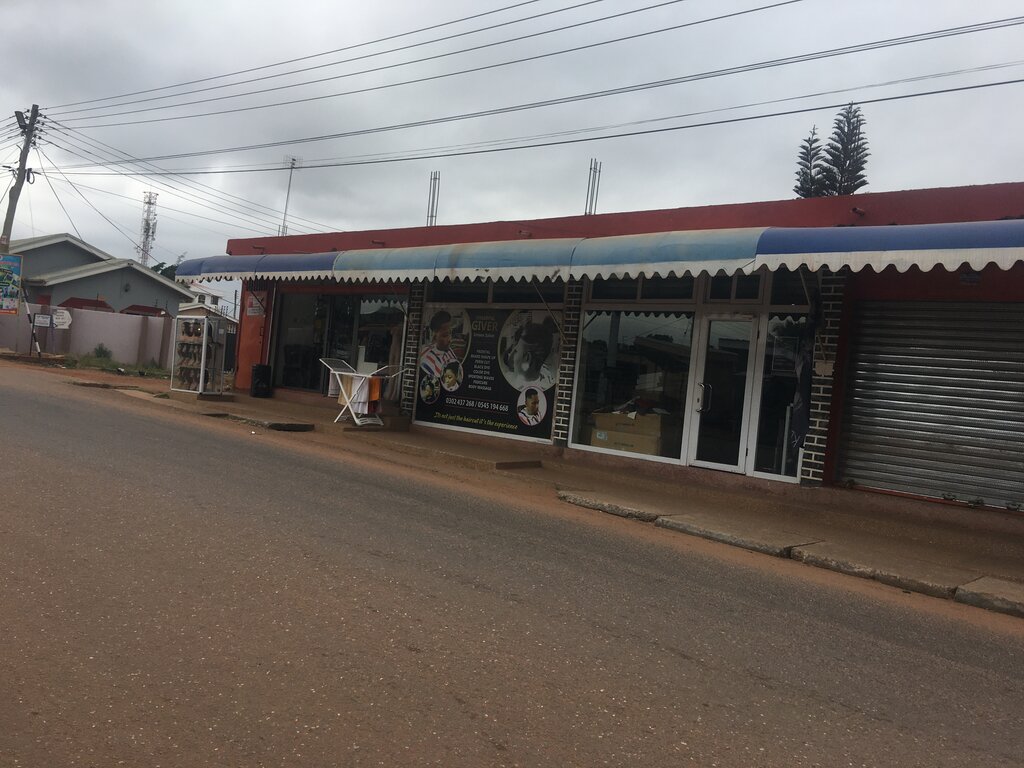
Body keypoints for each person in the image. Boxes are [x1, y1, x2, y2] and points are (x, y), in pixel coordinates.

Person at [420, 310, 459, 378]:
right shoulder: (427, 360)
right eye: (445, 335)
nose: (450, 340)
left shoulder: (448, 350)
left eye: (450, 333)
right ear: (435, 335)